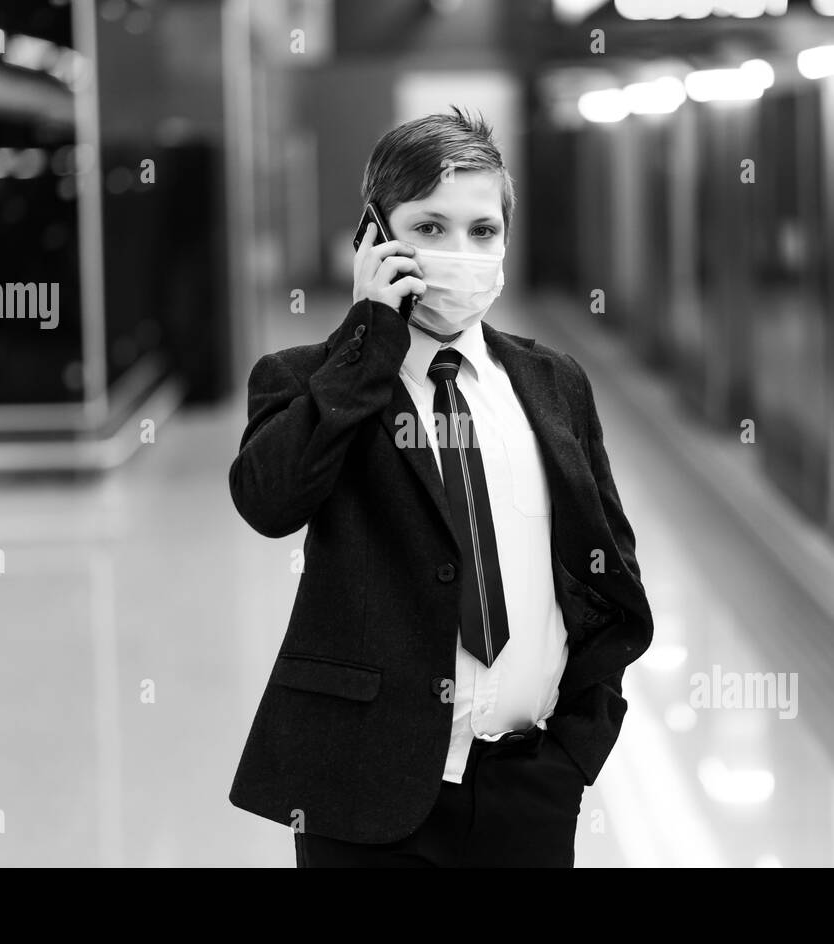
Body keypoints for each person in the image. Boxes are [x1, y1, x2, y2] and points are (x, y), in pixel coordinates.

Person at [227, 106, 653, 867]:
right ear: (374, 237)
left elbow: (607, 569)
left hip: (527, 790)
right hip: (365, 795)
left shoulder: (554, 383)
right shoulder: (307, 379)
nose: (460, 251)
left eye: (482, 230)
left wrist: (576, 746)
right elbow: (269, 501)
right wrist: (368, 337)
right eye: (429, 227)